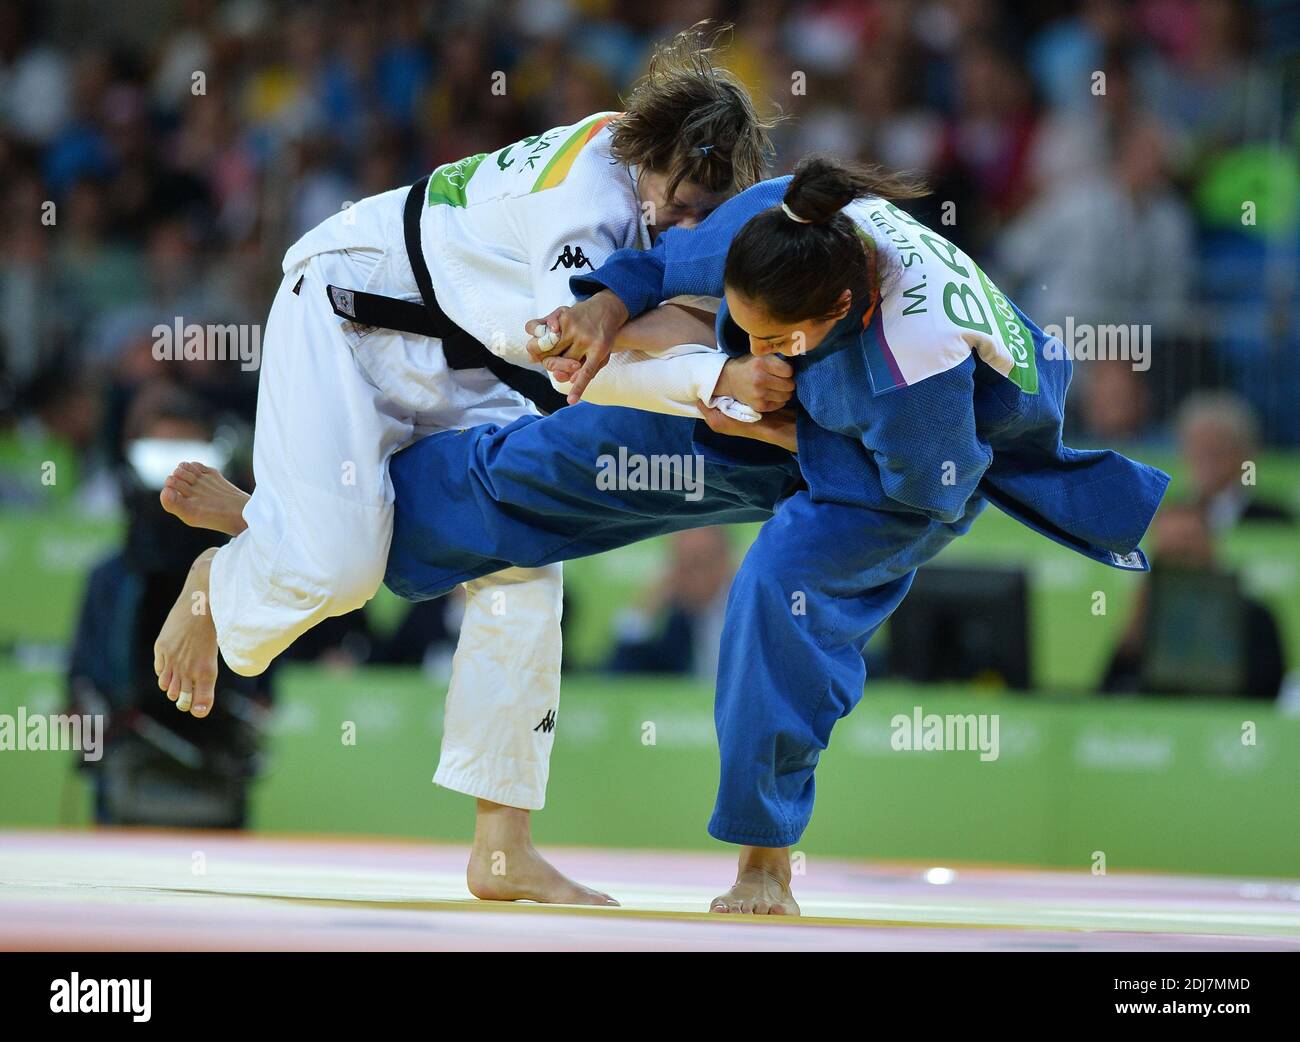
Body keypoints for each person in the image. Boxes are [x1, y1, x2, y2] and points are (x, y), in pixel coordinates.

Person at [379, 155, 1170, 914]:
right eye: (744, 328)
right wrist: (607, 306)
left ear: (843, 309)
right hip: (803, 397)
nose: (755, 352)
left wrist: (779, 434)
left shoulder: (917, 370)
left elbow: (925, 494)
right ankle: (374, 519)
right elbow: (665, 266)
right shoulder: (784, 217)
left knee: (778, 588)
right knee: (584, 446)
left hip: (913, 474)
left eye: (776, 339)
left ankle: (766, 859)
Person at [152, 24, 787, 905]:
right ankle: (217, 578)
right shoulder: (587, 195)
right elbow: (586, 363)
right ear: (646, 156)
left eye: (701, 215)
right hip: (353, 315)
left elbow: (652, 319)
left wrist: (712, 357)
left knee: (521, 548)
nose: (682, 226)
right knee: (336, 569)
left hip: (470, 355)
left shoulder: (652, 176)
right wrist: (722, 381)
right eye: (676, 203)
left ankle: (501, 848)